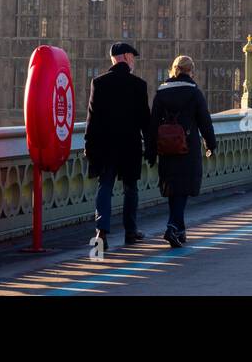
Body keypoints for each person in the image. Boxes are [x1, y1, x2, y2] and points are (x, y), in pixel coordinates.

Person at [84, 42, 151, 252]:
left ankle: (101, 232)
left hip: (105, 146)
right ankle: (130, 231)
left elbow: (92, 119)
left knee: (105, 186)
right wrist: (151, 146)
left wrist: (88, 145)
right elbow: (145, 121)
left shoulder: (99, 83)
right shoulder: (138, 84)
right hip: (130, 145)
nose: (134, 61)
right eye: (133, 57)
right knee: (131, 188)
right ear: (126, 57)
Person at [146, 55, 216, 248]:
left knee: (172, 188)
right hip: (187, 147)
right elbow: (205, 122)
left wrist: (150, 150)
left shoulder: (161, 92)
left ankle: (180, 230)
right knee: (183, 188)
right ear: (190, 71)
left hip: (166, 147)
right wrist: (210, 144)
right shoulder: (194, 92)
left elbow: (153, 124)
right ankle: (172, 226)